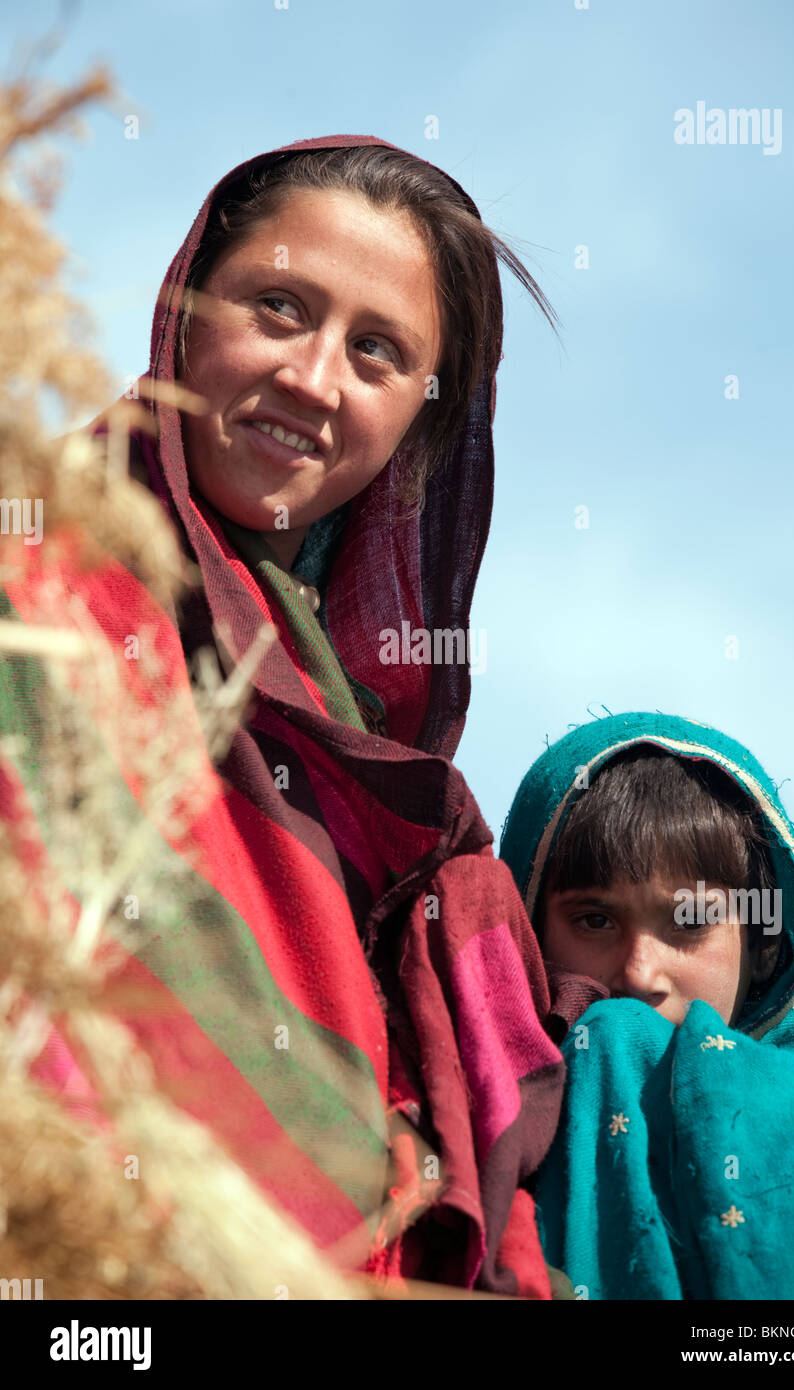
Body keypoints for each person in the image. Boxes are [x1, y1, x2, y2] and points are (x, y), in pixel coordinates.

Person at [0, 135, 566, 1295]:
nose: (312, 378)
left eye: (376, 352)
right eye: (277, 306)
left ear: (420, 412)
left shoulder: (356, 751)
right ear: (186, 307)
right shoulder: (38, 577)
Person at [499, 711, 794, 1299]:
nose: (640, 974)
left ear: (763, 947)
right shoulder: (469, 1142)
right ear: (529, 930)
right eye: (595, 920)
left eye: (689, 921)